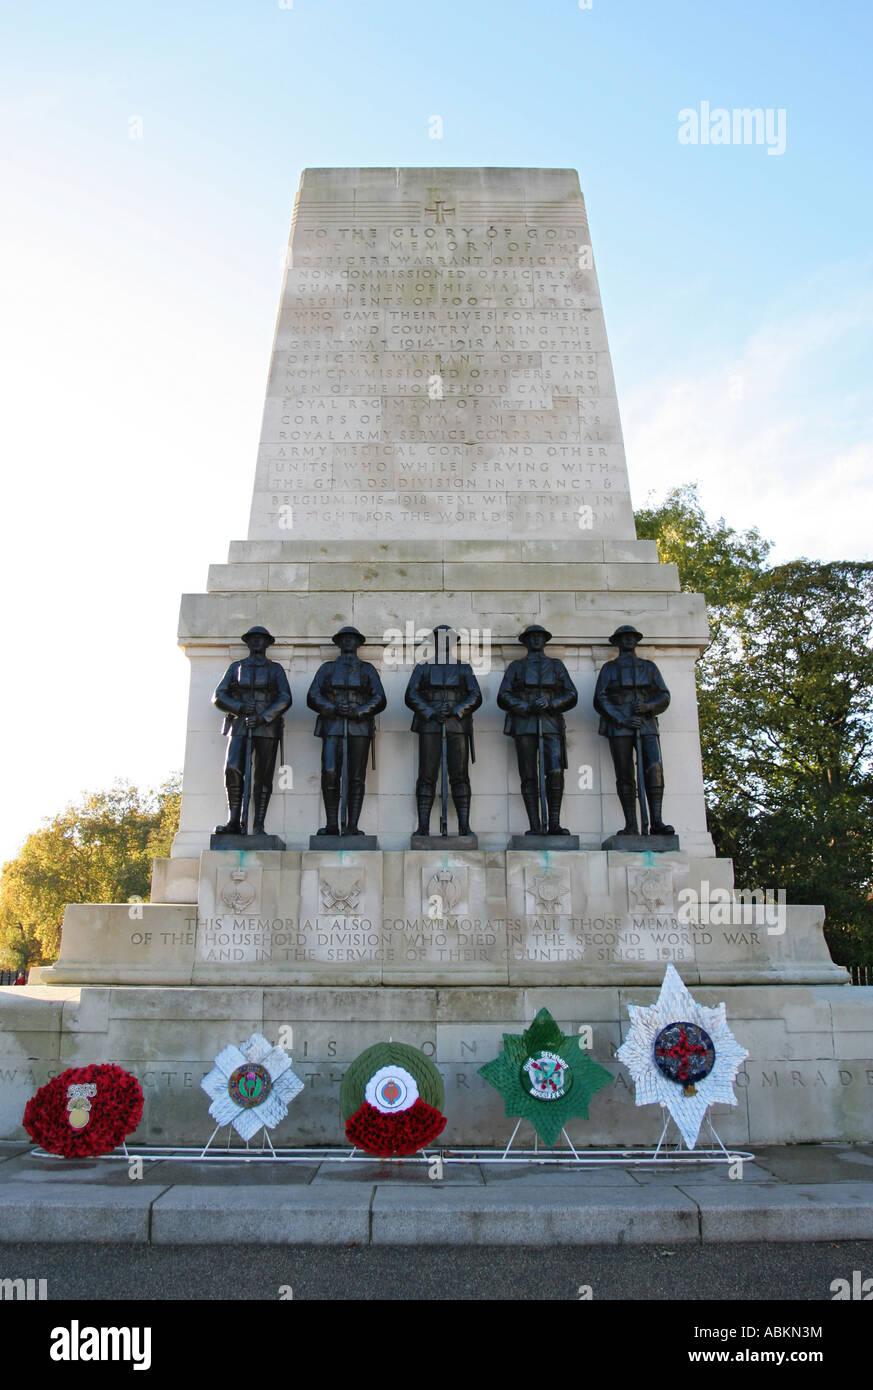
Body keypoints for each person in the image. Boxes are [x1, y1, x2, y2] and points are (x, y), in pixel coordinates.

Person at [593, 624, 674, 837]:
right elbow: (600, 698)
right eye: (623, 637)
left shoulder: (648, 667)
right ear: (617, 642)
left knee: (654, 770)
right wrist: (622, 718)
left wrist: (648, 707)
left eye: (631, 637)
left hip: (646, 724)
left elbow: (664, 695)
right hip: (619, 726)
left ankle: (656, 821)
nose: (628, 640)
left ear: (636, 640)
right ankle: (631, 824)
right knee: (625, 773)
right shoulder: (609, 669)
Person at [497, 624, 578, 835]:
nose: (535, 640)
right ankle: (534, 825)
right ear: (525, 641)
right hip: (524, 724)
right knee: (528, 775)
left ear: (544, 640)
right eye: (531, 637)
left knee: (555, 773)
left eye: (539, 637)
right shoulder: (516, 667)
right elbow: (503, 695)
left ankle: (554, 823)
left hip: (550, 723)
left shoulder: (556, 665)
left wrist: (551, 704)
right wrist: (525, 706)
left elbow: (571, 694)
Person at [212, 625, 292, 836]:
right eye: (253, 639)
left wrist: (263, 717)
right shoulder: (236, 668)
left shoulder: (275, 669)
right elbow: (218, 696)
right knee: (233, 768)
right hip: (240, 724)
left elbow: (285, 697)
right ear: (247, 642)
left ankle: (258, 825)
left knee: (263, 777)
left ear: (267, 643)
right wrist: (238, 708)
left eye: (261, 639)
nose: (257, 642)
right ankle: (233, 821)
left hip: (267, 727)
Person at [307, 626, 386, 836]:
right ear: (339, 643)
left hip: (359, 726)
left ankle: (352, 826)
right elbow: (313, 695)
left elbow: (379, 697)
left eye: (352, 639)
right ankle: (332, 823)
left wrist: (359, 711)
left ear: (359, 643)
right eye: (344, 639)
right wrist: (333, 708)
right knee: (330, 772)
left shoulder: (367, 669)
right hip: (333, 725)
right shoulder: (327, 668)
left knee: (356, 777)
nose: (349, 642)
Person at [405, 625, 482, 837]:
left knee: (460, 776)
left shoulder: (463, 668)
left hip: (457, 726)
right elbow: (411, 695)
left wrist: (457, 709)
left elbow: (475, 695)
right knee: (427, 776)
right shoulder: (422, 668)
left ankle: (464, 827)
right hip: (430, 725)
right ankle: (423, 827)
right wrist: (430, 711)